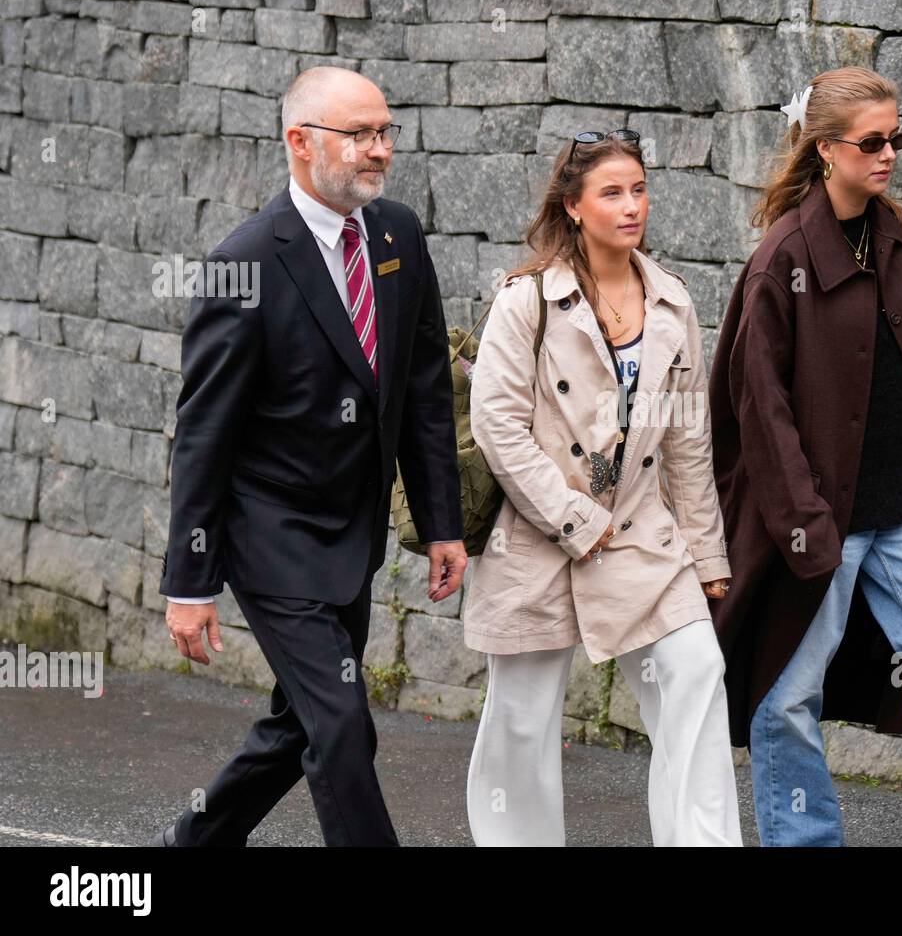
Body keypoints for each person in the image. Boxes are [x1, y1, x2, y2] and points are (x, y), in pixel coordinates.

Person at [153, 67, 466, 846]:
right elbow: (204, 432)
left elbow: (423, 386)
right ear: (300, 142)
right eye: (359, 134)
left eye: (385, 131)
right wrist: (189, 582)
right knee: (341, 724)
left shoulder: (397, 234)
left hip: (350, 534)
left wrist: (441, 523)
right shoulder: (247, 265)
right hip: (273, 538)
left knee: (302, 726)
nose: (380, 150)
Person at [709, 66, 902, 846]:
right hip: (823, 519)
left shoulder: (895, 232)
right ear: (825, 150)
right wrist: (805, 523)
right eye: (872, 142)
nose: (888, 155)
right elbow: (759, 407)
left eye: (896, 138)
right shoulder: (781, 261)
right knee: (787, 698)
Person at [462, 128, 741, 846]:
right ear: (574, 206)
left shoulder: (673, 302)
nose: (631, 205)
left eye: (639, 189)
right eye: (612, 192)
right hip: (536, 537)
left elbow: (686, 441)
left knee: (697, 675)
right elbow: (497, 426)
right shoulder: (526, 299)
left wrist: (709, 556)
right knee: (522, 721)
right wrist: (573, 518)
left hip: (640, 535)